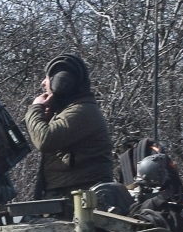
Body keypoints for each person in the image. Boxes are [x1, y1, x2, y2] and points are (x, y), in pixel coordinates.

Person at [23, 54, 115, 197]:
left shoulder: (83, 111)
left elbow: (44, 139)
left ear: (60, 81)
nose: (43, 83)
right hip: (69, 194)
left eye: (47, 78)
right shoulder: (70, 110)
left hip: (79, 198)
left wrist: (35, 108)